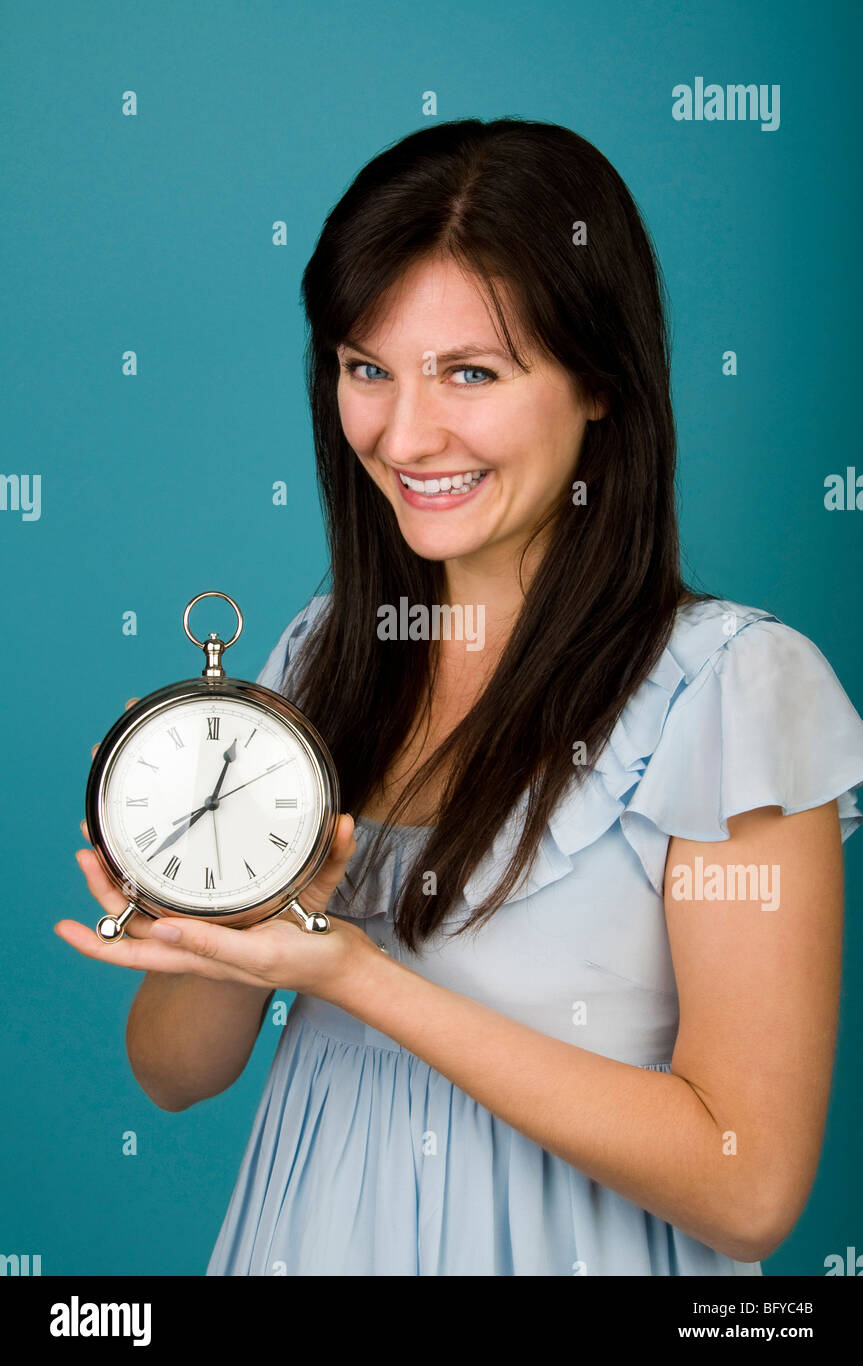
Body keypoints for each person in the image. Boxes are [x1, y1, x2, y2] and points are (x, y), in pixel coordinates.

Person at [58, 118, 863, 1276]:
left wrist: (348, 969)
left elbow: (745, 1190)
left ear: (598, 380)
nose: (404, 432)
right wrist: (212, 922)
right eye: (364, 368)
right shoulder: (320, 653)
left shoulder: (732, 690)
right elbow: (176, 1075)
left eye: (471, 373)